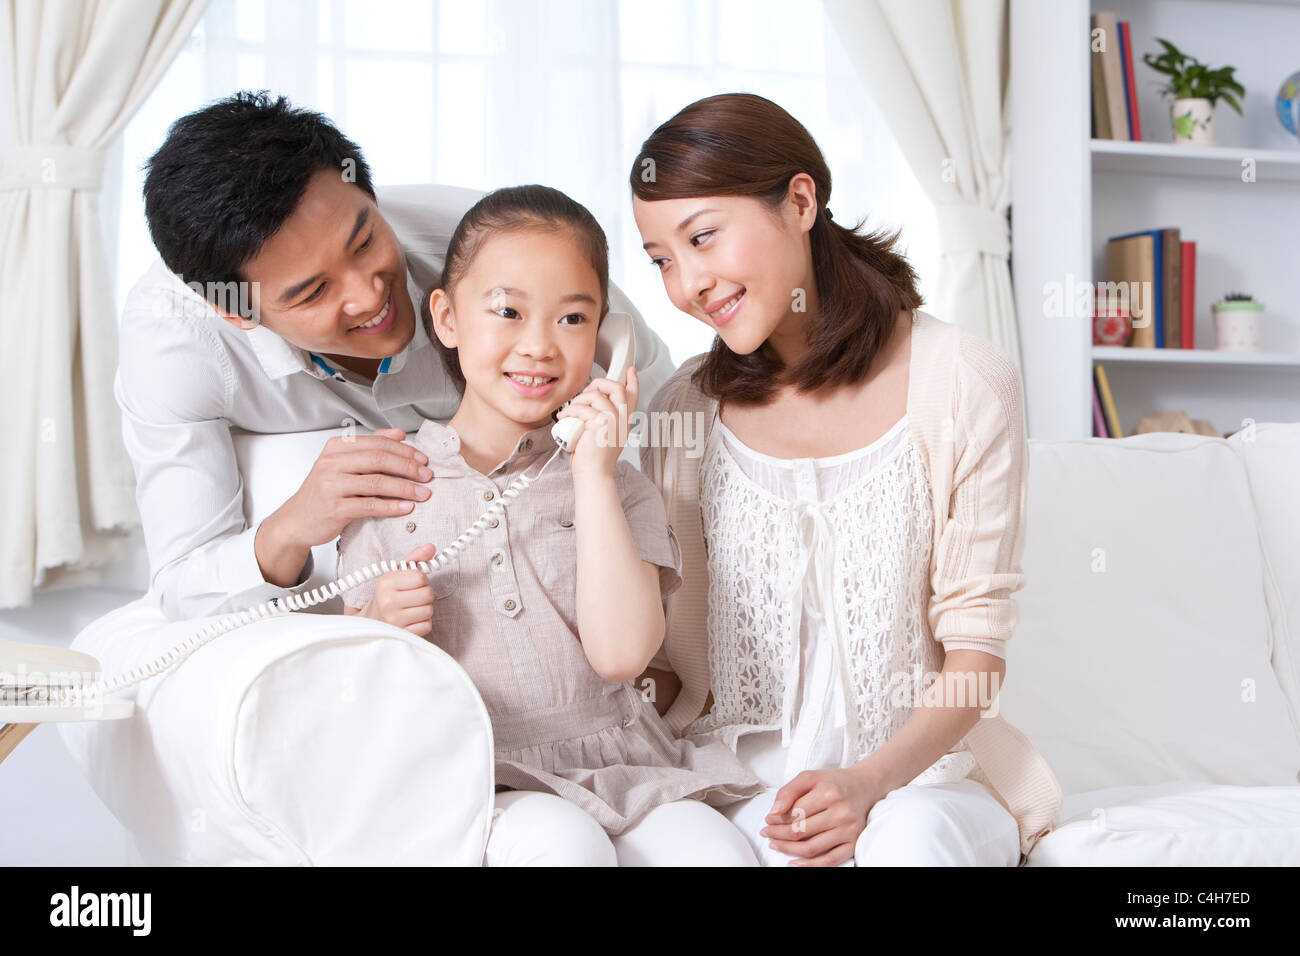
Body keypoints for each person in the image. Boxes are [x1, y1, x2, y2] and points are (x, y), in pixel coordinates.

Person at [629, 93, 1062, 866]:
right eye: (661, 259)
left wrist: (866, 785)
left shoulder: (962, 383)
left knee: (915, 844)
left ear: (800, 201)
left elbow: (975, 658)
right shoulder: (682, 412)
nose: (687, 282)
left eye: (703, 238)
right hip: (733, 785)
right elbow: (658, 658)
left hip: (920, 781)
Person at [118, 91, 675, 621]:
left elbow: (649, 376)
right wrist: (291, 527)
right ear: (238, 311)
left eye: (364, 243)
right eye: (313, 292)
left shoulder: (485, 245)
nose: (368, 295)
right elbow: (180, 585)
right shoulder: (177, 346)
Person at [336, 185, 763, 866]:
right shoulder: (390, 484)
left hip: (625, 759)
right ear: (446, 317)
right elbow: (356, 697)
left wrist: (593, 473)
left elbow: (622, 656)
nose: (538, 346)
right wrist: (382, 626)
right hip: (482, 771)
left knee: (714, 853)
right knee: (564, 849)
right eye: (507, 311)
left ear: (605, 339)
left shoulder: (621, 486)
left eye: (572, 319)